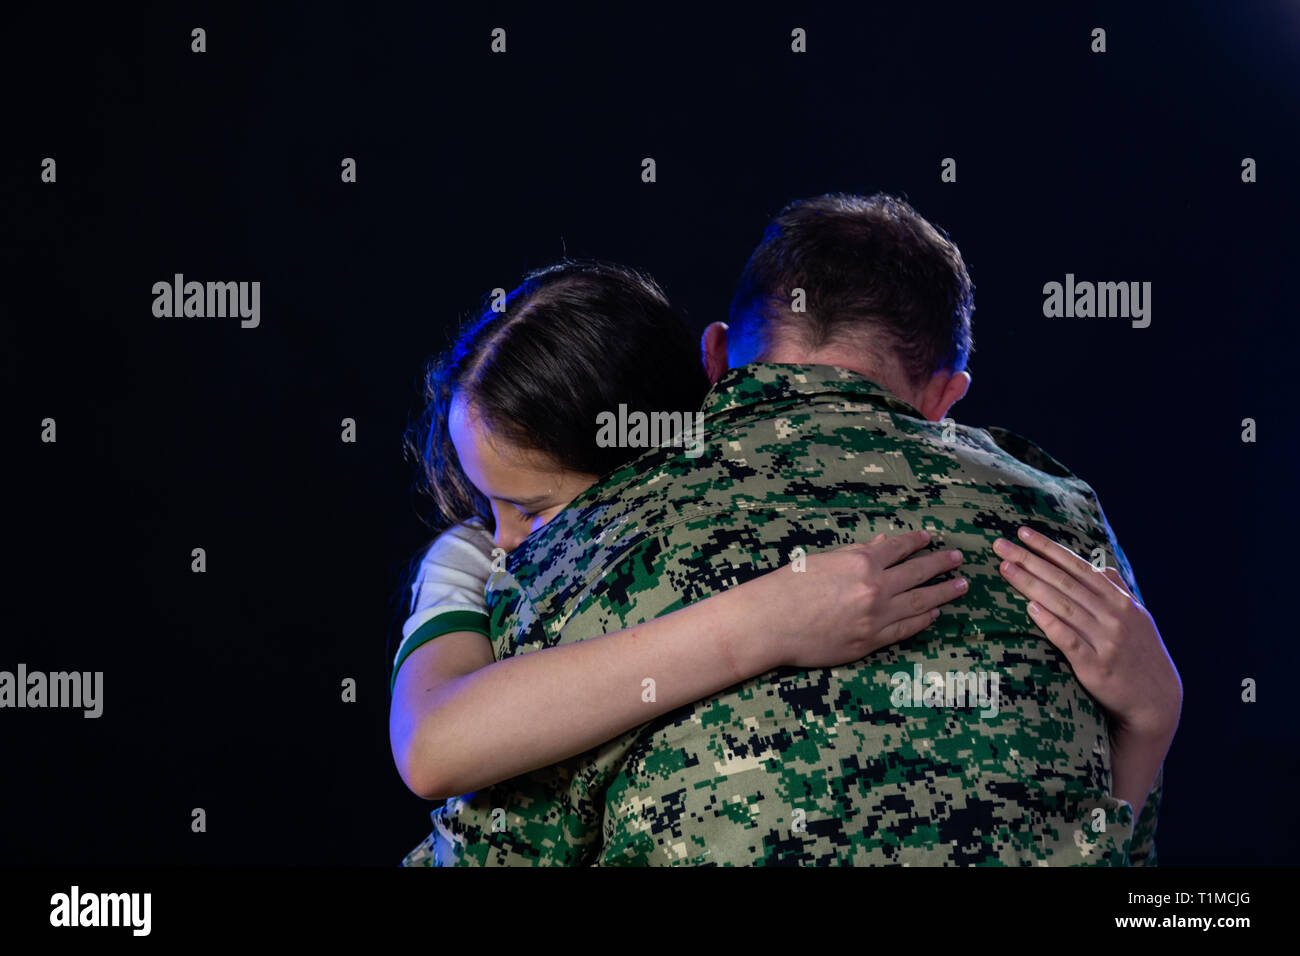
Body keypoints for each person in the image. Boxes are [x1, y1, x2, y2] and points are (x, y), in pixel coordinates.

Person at [403, 193, 1180, 865]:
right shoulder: (1058, 514)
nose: (511, 538)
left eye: (528, 511)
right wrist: (1154, 719)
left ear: (716, 357)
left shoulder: (585, 543)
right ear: (947, 397)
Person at [390, 259, 969, 862]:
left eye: (531, 510)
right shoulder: (479, 556)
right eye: (492, 503)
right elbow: (431, 747)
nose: (503, 541)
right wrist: (767, 621)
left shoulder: (662, 533)